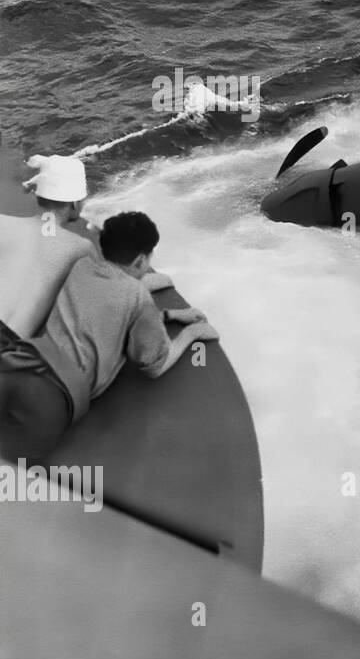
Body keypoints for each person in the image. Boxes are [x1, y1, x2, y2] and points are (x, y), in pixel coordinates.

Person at [0, 211, 217, 462]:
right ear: (140, 262)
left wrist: (168, 315)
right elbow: (154, 364)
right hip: (49, 400)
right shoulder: (137, 296)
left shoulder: (83, 266)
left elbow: (111, 298)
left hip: (16, 365)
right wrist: (192, 334)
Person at [0, 154, 94, 340]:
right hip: (9, 351)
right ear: (75, 204)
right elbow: (109, 289)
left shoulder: (3, 223)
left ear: (38, 196)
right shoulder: (81, 248)